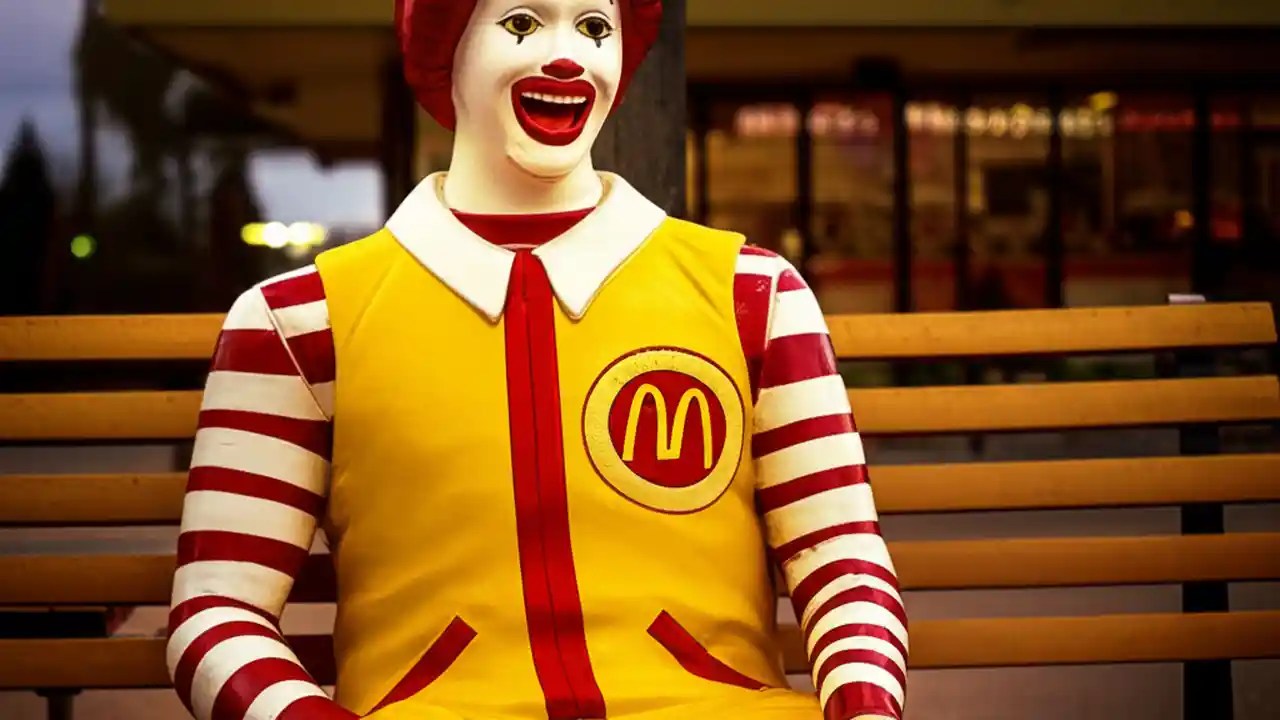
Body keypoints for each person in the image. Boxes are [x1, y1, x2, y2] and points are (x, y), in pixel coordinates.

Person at [165, 2, 907, 719]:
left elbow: (842, 562)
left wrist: (865, 713)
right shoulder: (301, 321)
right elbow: (218, 614)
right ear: (445, 48)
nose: (567, 57)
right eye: (522, 23)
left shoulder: (753, 294)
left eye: (594, 27)